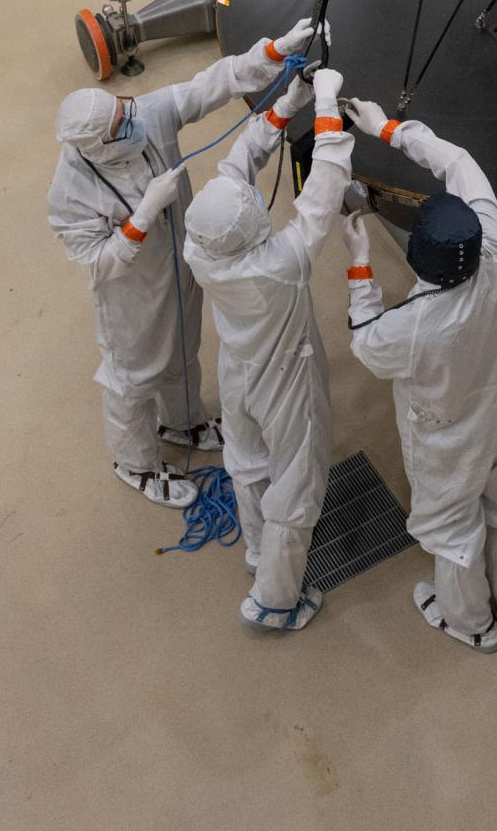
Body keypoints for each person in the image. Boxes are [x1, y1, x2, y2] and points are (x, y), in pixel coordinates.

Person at [47, 25, 312, 507]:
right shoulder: (70, 193)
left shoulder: (142, 117)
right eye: (120, 123)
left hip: (181, 265)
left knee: (183, 348)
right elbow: (97, 265)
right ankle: (136, 463)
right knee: (134, 378)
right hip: (132, 295)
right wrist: (142, 218)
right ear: (98, 146)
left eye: (126, 106)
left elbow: (211, 84)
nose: (134, 116)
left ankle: (182, 422)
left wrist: (273, 51)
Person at [340, 102, 497, 655]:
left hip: (448, 431)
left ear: (420, 261)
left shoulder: (414, 326)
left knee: (454, 531)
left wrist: (359, 262)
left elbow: (365, 342)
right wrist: (390, 129)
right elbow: (460, 163)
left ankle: (471, 621)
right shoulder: (494, 251)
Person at [183, 61, 353, 634]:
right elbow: (323, 193)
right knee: (297, 486)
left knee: (248, 460)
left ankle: (257, 549)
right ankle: (276, 599)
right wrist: (327, 105)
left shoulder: (202, 248)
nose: (260, 204)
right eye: (256, 210)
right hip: (286, 380)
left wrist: (289, 101)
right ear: (251, 232)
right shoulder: (278, 269)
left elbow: (238, 163)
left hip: (239, 370)